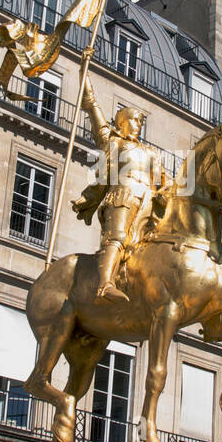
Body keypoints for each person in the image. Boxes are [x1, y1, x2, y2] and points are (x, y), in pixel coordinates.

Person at [72, 54, 165, 303]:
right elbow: (91, 105)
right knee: (118, 238)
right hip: (122, 196)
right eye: (133, 120)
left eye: (141, 121)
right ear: (121, 122)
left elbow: (163, 182)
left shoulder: (150, 152)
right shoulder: (113, 142)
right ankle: (104, 285)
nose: (138, 125)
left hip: (148, 200)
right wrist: (84, 69)